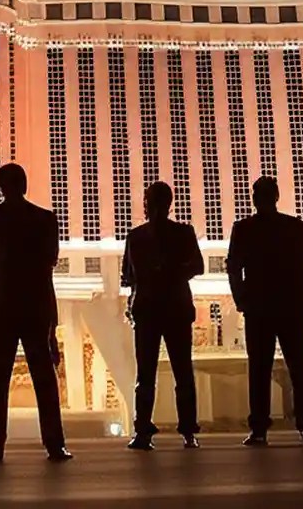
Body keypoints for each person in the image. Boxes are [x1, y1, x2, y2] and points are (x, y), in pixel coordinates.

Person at [0, 163, 71, 463]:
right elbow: (49, 263)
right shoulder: (44, 219)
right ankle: (54, 444)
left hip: (0, 307)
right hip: (34, 305)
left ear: (0, 187)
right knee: (44, 378)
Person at [226, 177, 303, 446]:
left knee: (262, 369)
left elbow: (234, 267)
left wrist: (242, 299)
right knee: (296, 368)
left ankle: (261, 428)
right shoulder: (292, 227)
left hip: (265, 308)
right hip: (284, 308)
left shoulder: (245, 229)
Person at [121, 181, 205, 451]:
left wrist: (161, 274)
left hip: (152, 309)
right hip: (169, 308)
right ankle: (186, 431)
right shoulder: (181, 233)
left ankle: (145, 430)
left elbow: (129, 277)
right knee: (179, 372)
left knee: (148, 374)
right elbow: (196, 267)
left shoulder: (137, 236)